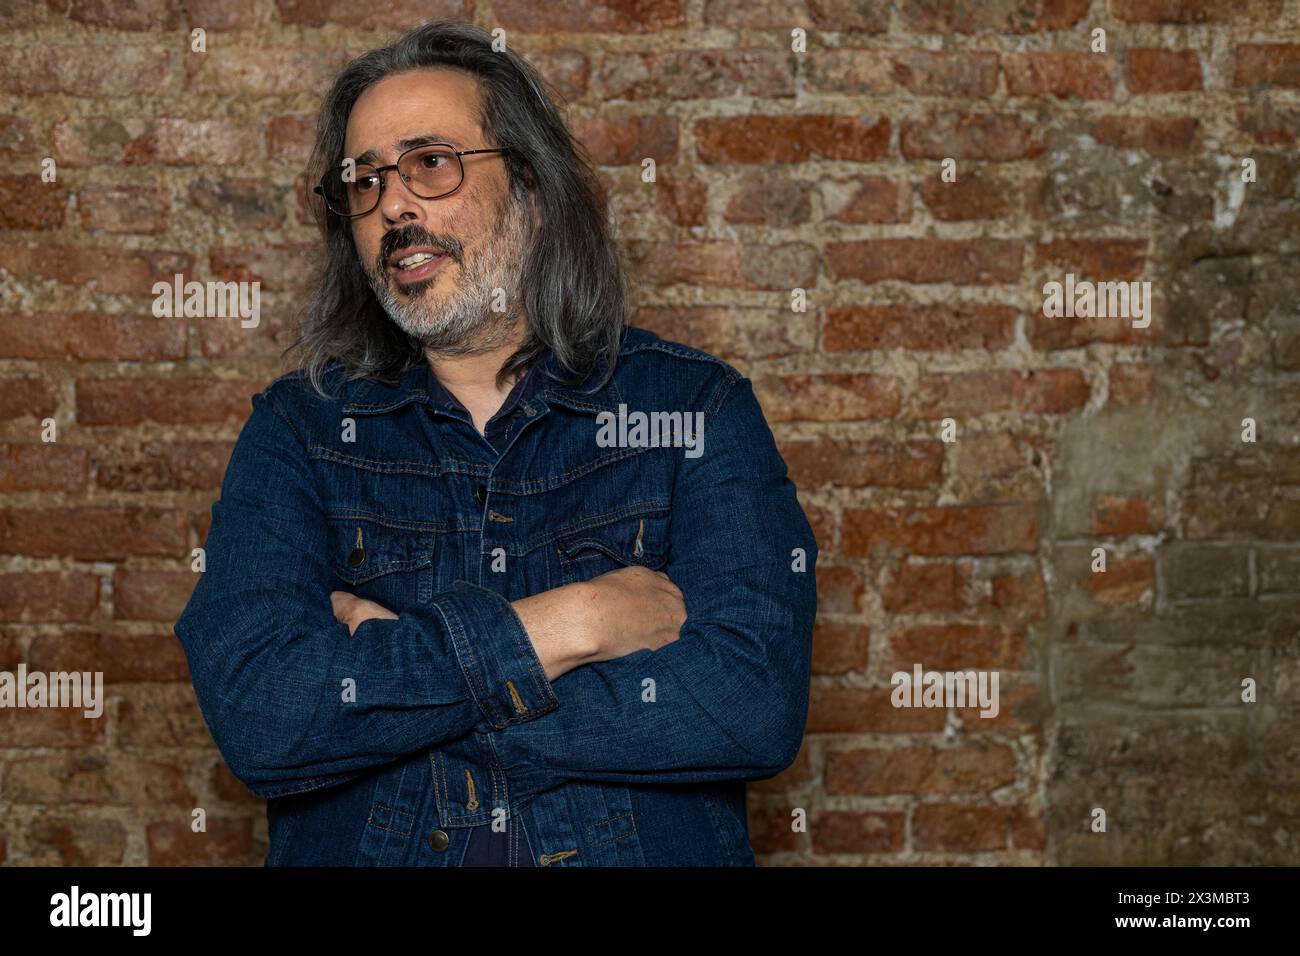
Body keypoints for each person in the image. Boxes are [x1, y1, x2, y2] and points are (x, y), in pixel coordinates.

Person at [173, 19, 818, 867]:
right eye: (362, 180)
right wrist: (575, 623)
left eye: (430, 163)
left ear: (533, 190)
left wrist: (386, 699)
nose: (391, 205)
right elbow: (265, 718)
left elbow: (749, 705)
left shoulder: (695, 409)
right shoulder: (299, 432)